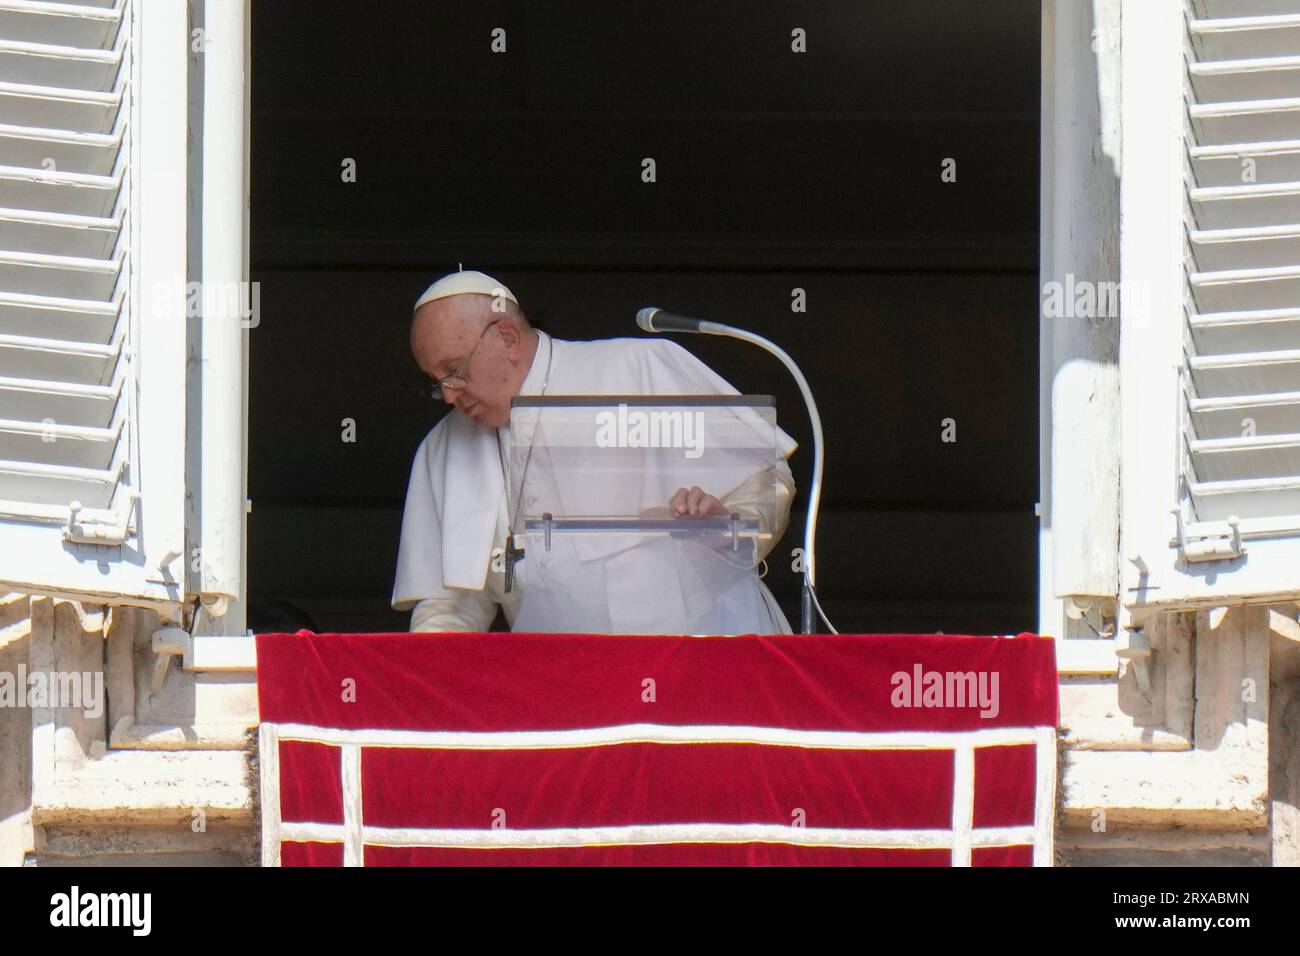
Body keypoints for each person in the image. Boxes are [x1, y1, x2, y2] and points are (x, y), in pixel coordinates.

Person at [391, 268, 797, 635]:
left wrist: (725, 525)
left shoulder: (638, 368)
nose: (447, 394)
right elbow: (450, 608)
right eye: (435, 381)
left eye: (455, 371)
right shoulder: (444, 448)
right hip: (571, 689)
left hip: (707, 656)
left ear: (507, 338)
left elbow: (767, 482)